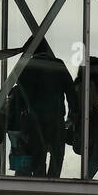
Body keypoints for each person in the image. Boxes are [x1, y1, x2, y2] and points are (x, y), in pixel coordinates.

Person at [16, 39, 76, 177]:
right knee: (57, 154)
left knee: (38, 154)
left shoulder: (28, 65)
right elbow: (71, 91)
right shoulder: (58, 64)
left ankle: (39, 181)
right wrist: (74, 114)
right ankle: (54, 181)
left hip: (34, 118)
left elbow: (20, 94)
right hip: (56, 117)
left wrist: (19, 120)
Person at [72, 56, 98, 179]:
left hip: (83, 122)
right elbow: (87, 106)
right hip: (90, 124)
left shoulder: (79, 83)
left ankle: (86, 177)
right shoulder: (89, 84)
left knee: (92, 154)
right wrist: (96, 108)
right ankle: (86, 178)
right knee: (97, 155)